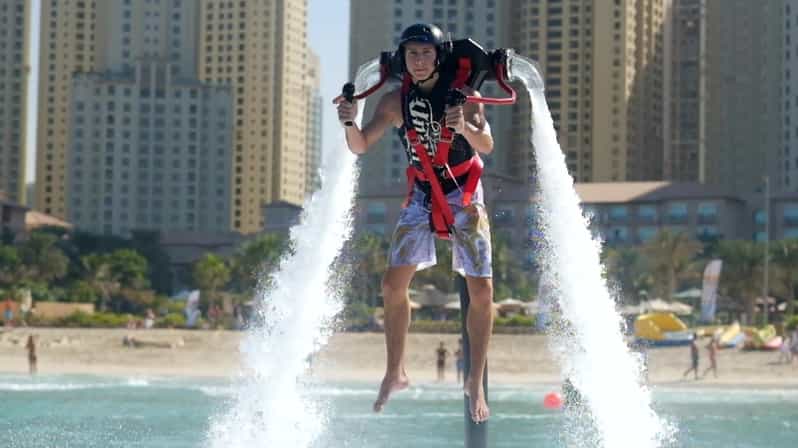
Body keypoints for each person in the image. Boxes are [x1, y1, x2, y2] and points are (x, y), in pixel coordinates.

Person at [335, 23, 495, 423]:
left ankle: (474, 380)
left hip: (464, 191)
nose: (419, 61)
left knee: (482, 290)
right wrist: (349, 121)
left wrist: (466, 127)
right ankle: (395, 370)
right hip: (423, 192)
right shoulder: (393, 102)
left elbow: (486, 145)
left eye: (426, 53)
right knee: (391, 286)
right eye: (412, 55)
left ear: (437, 56)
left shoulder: (465, 96)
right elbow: (359, 146)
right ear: (403, 59)